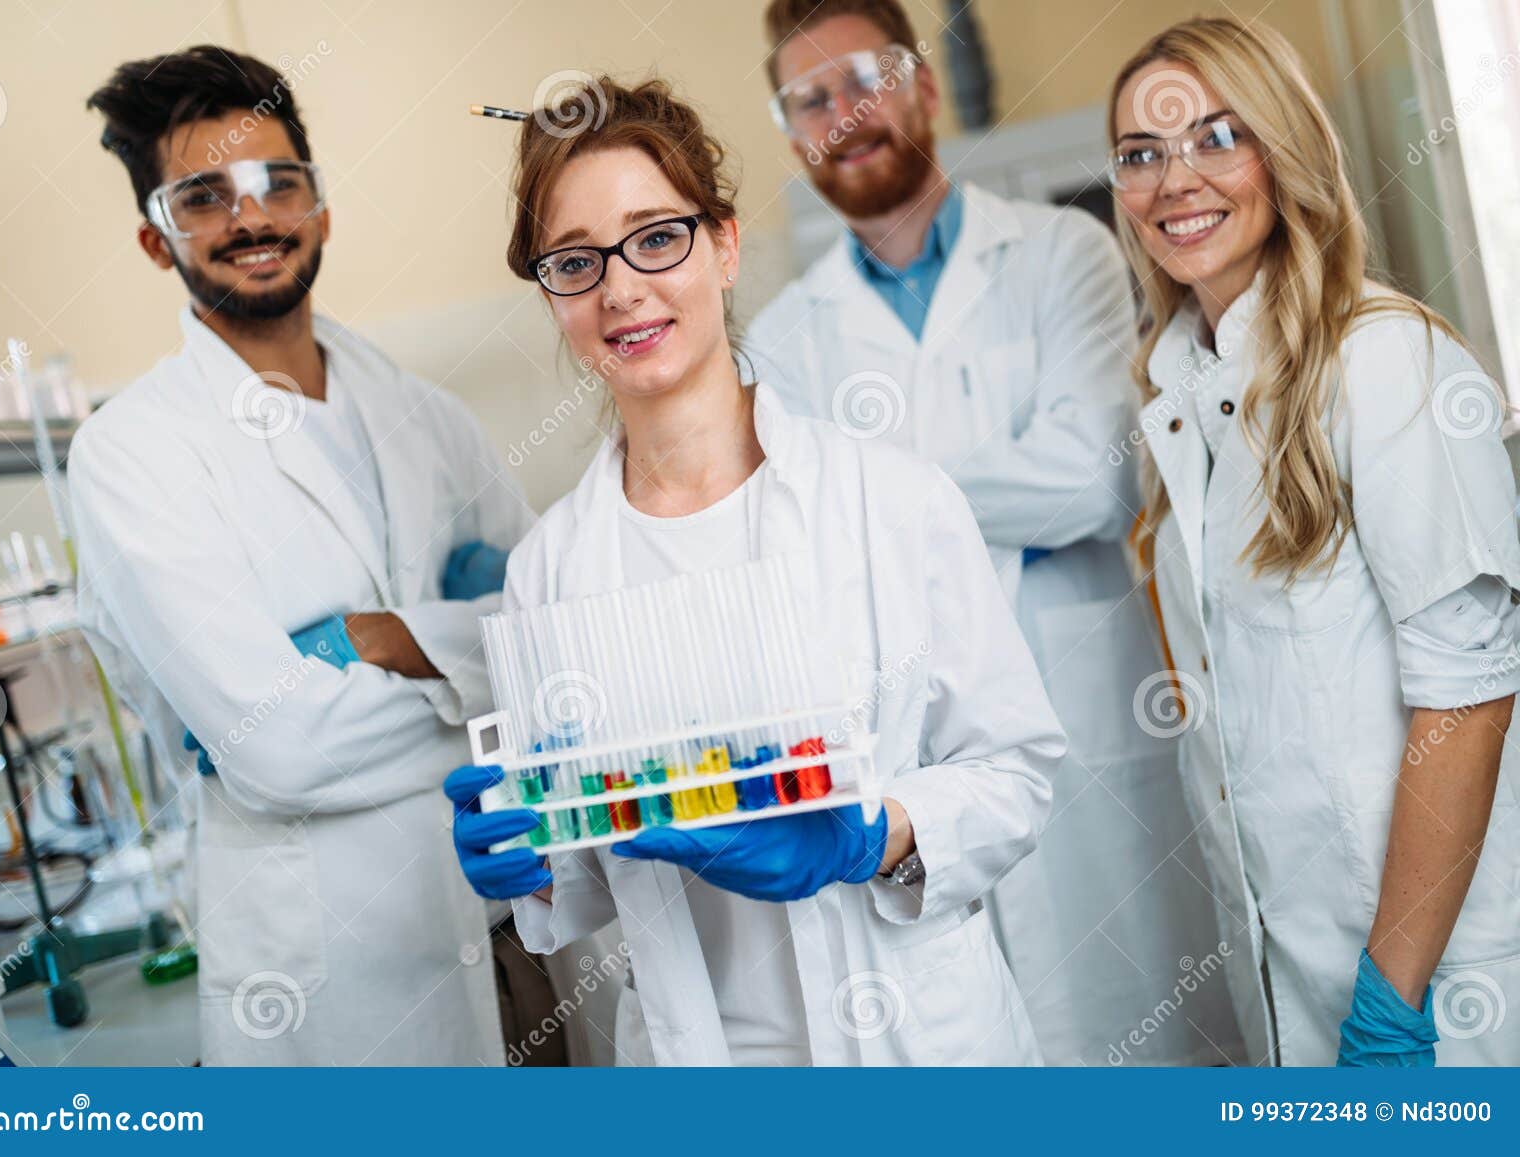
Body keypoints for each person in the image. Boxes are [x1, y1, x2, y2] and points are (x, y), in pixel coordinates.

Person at [445, 76, 1066, 1066]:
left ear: (724, 245)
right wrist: (533, 864)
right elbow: (590, 872)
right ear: (551, 293)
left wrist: (874, 835)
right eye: (575, 260)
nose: (621, 288)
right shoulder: (550, 572)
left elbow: (1017, 770)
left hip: (923, 1045)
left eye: (657, 238)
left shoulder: (892, 501)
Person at [743, 0, 1237, 1064]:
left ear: (921, 84)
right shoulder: (781, 343)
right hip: (920, 781)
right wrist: (962, 486)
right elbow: (804, 557)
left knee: (1154, 1043)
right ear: (791, 134)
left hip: (1096, 748)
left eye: (866, 78)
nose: (845, 113)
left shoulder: (1062, 252)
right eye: (811, 98)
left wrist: (868, 494)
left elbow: (1095, 482)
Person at [73, 46, 533, 1065]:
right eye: (202, 196)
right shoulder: (131, 454)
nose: (251, 219)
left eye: (278, 183)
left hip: (518, 933)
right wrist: (495, 678)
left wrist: (389, 638)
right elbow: (276, 746)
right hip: (338, 992)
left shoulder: (428, 414)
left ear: (320, 207)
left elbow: (564, 626)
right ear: (156, 240)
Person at [1110, 16, 1520, 1066]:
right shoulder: (1180, 394)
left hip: (1439, 987)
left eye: (1216, 137)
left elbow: (1466, 700)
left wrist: (1391, 999)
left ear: (1283, 150)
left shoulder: (1384, 365)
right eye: (1140, 154)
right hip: (1289, 982)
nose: (1173, 181)